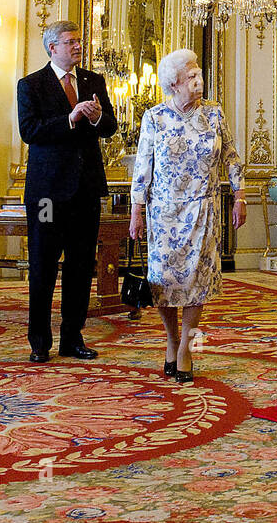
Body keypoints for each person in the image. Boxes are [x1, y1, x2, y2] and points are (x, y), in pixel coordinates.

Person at [128, 49, 245, 383]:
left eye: (199, 74)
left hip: (204, 210)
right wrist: (136, 212)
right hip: (164, 213)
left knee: (198, 281)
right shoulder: (154, 118)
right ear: (174, 83)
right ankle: (170, 338)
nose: (199, 80)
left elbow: (232, 158)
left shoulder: (214, 114)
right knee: (163, 281)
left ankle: (186, 348)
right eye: (191, 76)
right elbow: (143, 168)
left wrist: (240, 196)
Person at [18, 20, 118, 363]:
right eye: (70, 41)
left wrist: (96, 116)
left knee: (80, 266)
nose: (78, 46)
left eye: (79, 40)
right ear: (53, 48)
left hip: (85, 190)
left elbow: (110, 127)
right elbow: (30, 130)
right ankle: (39, 341)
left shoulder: (93, 81)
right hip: (46, 194)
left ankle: (72, 338)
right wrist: (71, 118)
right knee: (43, 265)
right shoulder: (30, 84)